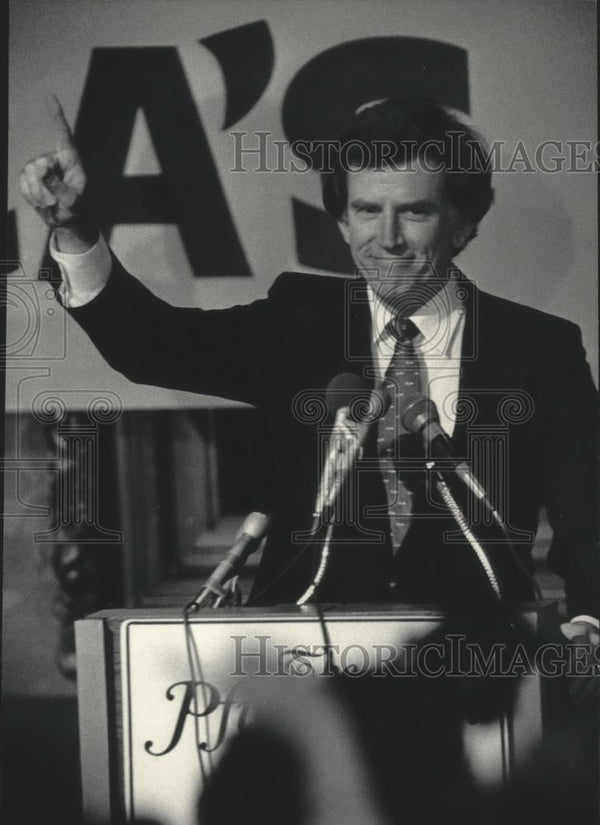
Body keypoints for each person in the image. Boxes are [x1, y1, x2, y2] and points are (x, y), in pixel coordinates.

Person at [20, 95, 599, 681]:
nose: (387, 238)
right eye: (368, 211)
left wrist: (592, 625)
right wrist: (74, 227)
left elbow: (590, 518)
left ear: (464, 221)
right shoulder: (299, 319)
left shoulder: (539, 349)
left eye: (415, 212)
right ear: (343, 220)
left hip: (482, 670)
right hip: (301, 661)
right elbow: (150, 346)